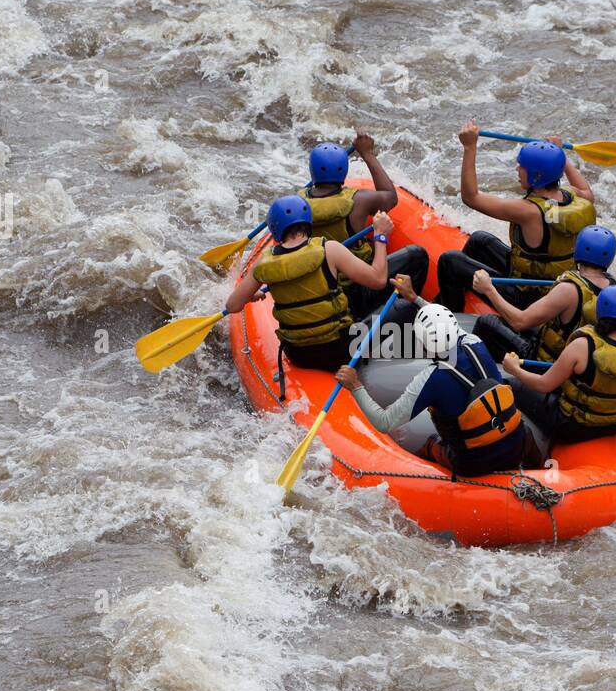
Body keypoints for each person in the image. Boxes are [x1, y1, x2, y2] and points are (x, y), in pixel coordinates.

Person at [334, 287, 540, 476]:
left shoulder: (430, 379)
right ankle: (542, 473)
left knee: (431, 445)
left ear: (423, 344)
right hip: (517, 446)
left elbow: (384, 422)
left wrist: (355, 385)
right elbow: (448, 327)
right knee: (524, 433)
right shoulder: (475, 343)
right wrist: (415, 298)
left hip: (474, 464)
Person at [436, 120, 596, 313]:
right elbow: (588, 191)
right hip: (550, 283)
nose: (517, 170)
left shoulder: (527, 211)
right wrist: (560, 156)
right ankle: (459, 289)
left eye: (522, 167)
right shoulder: (572, 195)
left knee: (450, 261)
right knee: (480, 240)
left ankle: (448, 315)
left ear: (536, 177)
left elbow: (471, 197)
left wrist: (470, 147)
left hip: (528, 297)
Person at [227, 195, 393, 373]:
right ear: (308, 222)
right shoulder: (330, 249)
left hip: (299, 355)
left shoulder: (264, 263)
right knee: (402, 305)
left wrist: (251, 295)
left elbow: (233, 305)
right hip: (342, 350)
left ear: (275, 228)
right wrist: (380, 237)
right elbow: (378, 280)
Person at [502, 286, 616, 446]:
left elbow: (544, 384)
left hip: (574, 426)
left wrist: (514, 369)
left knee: (510, 385)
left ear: (598, 312)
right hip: (614, 427)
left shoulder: (583, 345)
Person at [469, 224, 616, 364]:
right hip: (584, 367)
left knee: (487, 322)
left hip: (549, 364)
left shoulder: (568, 289)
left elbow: (519, 322)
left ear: (579, 251)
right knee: (538, 325)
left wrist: (489, 290)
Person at [298, 134, 429, 317]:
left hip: (322, 289)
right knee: (417, 255)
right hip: (358, 289)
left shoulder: (298, 203)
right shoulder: (359, 200)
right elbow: (390, 197)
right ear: (343, 170)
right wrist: (367, 153)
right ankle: (408, 314)